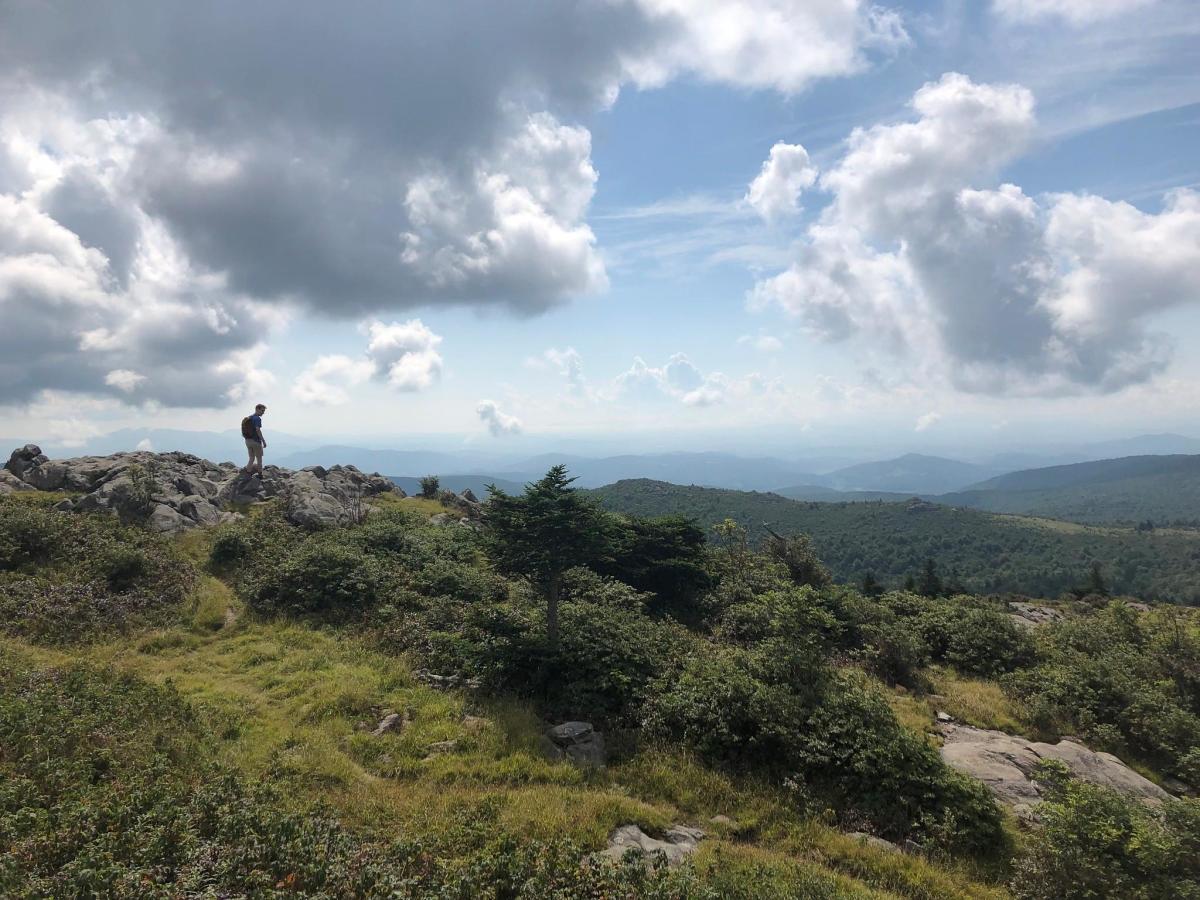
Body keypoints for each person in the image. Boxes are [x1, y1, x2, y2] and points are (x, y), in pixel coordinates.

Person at [240, 403, 267, 476]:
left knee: (251, 458)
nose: (263, 412)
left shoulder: (249, 418)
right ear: (257, 409)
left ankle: (247, 473)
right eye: (262, 410)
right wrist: (263, 441)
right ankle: (260, 475)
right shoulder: (257, 418)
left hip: (248, 441)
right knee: (259, 459)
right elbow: (258, 430)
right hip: (255, 441)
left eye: (263, 411)